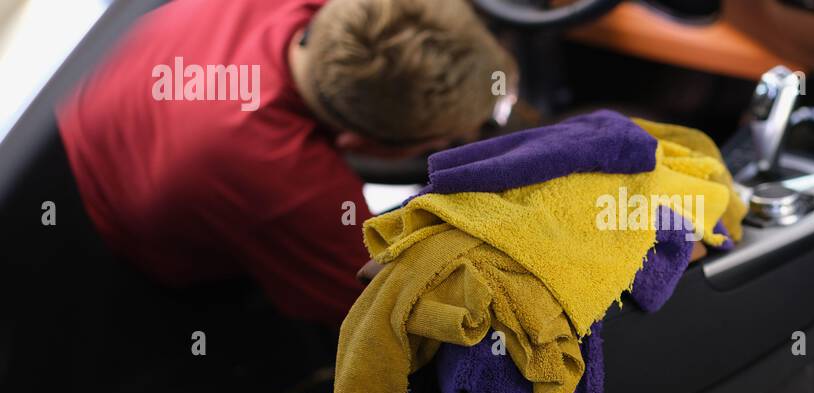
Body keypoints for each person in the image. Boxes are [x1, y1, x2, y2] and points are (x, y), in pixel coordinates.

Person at [58, 0, 513, 325]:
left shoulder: (335, 13)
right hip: (89, 244)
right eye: (452, 138)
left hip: (70, 109)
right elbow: (378, 306)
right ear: (364, 144)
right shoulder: (288, 186)